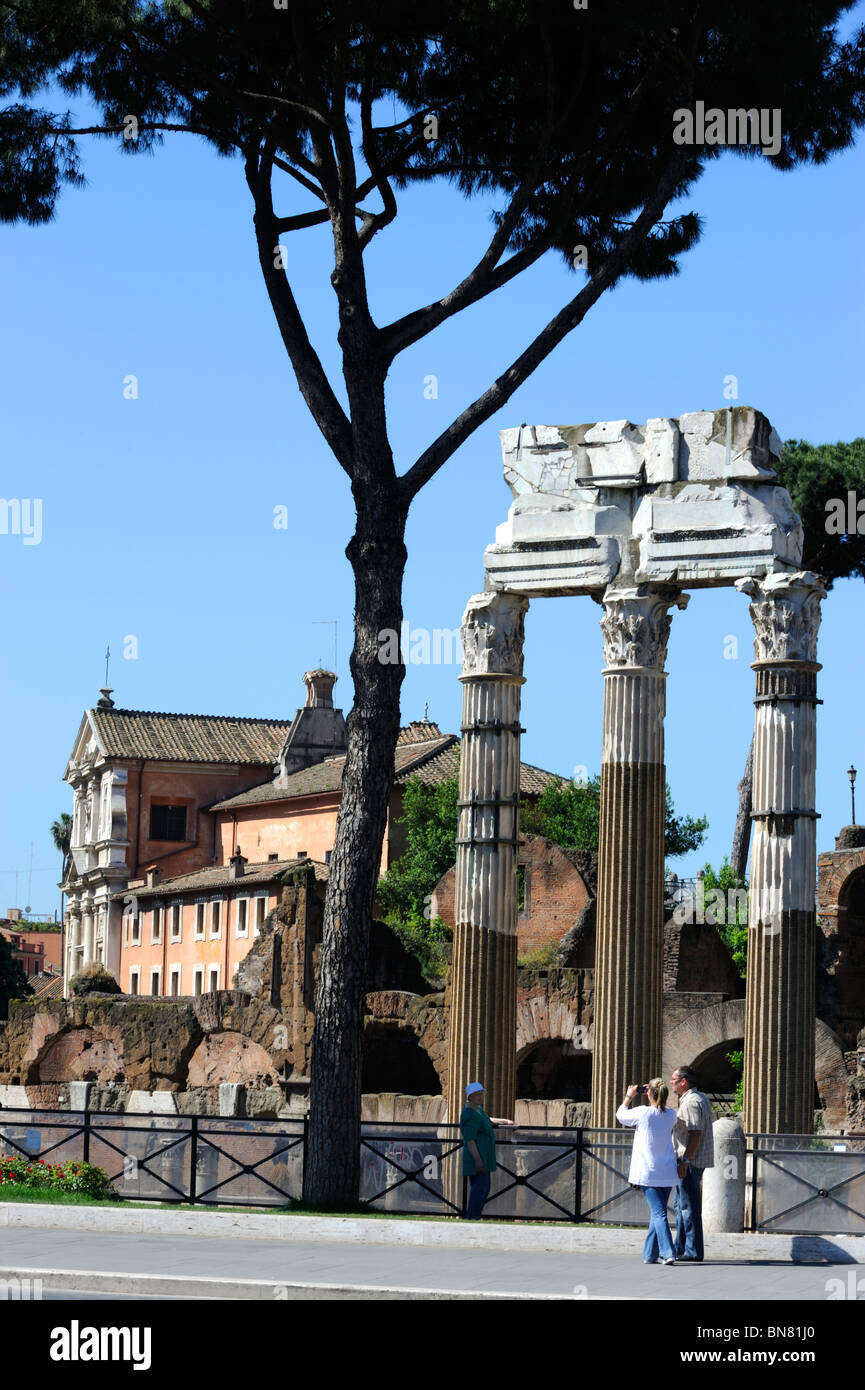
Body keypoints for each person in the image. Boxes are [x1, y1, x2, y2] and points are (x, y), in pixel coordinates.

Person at [616, 1078, 679, 1264]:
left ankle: (668, 1252)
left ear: (649, 1093)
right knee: (657, 1212)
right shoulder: (671, 1115)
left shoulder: (643, 1113)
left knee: (659, 1214)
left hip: (648, 1171)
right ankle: (650, 1254)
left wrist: (629, 1096)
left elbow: (621, 1115)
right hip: (667, 1171)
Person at [670, 1064, 715, 1262]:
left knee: (688, 1206)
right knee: (681, 1204)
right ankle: (680, 1248)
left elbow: (695, 1133)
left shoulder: (691, 1102)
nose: (671, 1082)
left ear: (683, 1082)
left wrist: (685, 1160)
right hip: (694, 1159)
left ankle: (693, 1250)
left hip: (690, 1161)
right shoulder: (701, 1098)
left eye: (674, 1079)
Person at [458, 1082, 514, 1220]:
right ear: (470, 1096)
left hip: (484, 1156)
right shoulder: (468, 1114)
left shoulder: (478, 1110)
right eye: (477, 1094)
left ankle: (473, 1216)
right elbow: (469, 1139)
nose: (480, 1097)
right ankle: (472, 1217)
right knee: (479, 1188)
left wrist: (506, 1121)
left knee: (483, 1187)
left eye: (481, 1094)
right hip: (477, 1157)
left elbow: (488, 1120)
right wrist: (477, 1160)